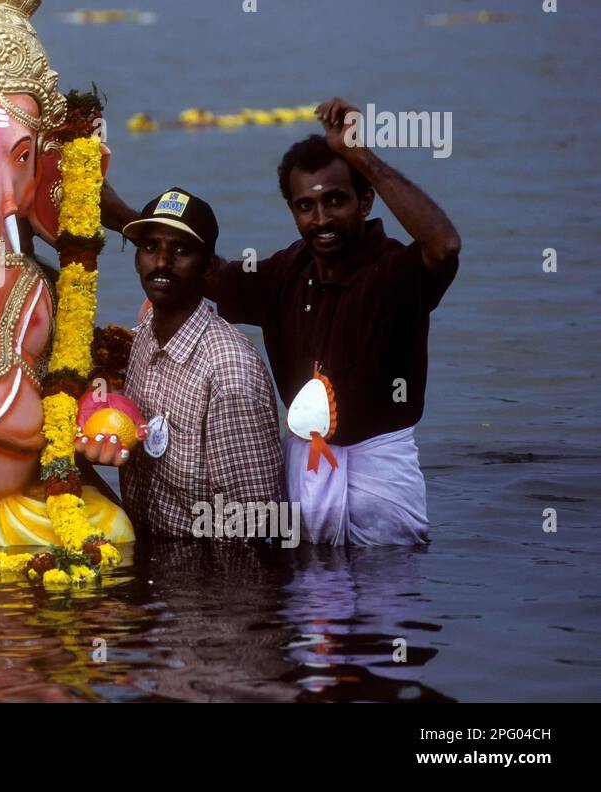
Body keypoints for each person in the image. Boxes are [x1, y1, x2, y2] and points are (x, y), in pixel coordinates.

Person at [206, 98, 461, 545]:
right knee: (306, 603)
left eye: (336, 201)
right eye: (305, 206)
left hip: (381, 477)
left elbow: (444, 246)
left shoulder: (395, 271)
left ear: (365, 202)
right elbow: (205, 273)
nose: (320, 219)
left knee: (389, 605)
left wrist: (360, 154)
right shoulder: (286, 271)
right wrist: (117, 215)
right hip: (302, 467)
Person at [84, 187, 284, 538]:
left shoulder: (229, 372)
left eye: (181, 250)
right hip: (151, 561)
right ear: (136, 259)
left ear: (208, 266)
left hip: (208, 574)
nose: (161, 263)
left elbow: (257, 526)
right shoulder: (145, 333)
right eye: (150, 247)